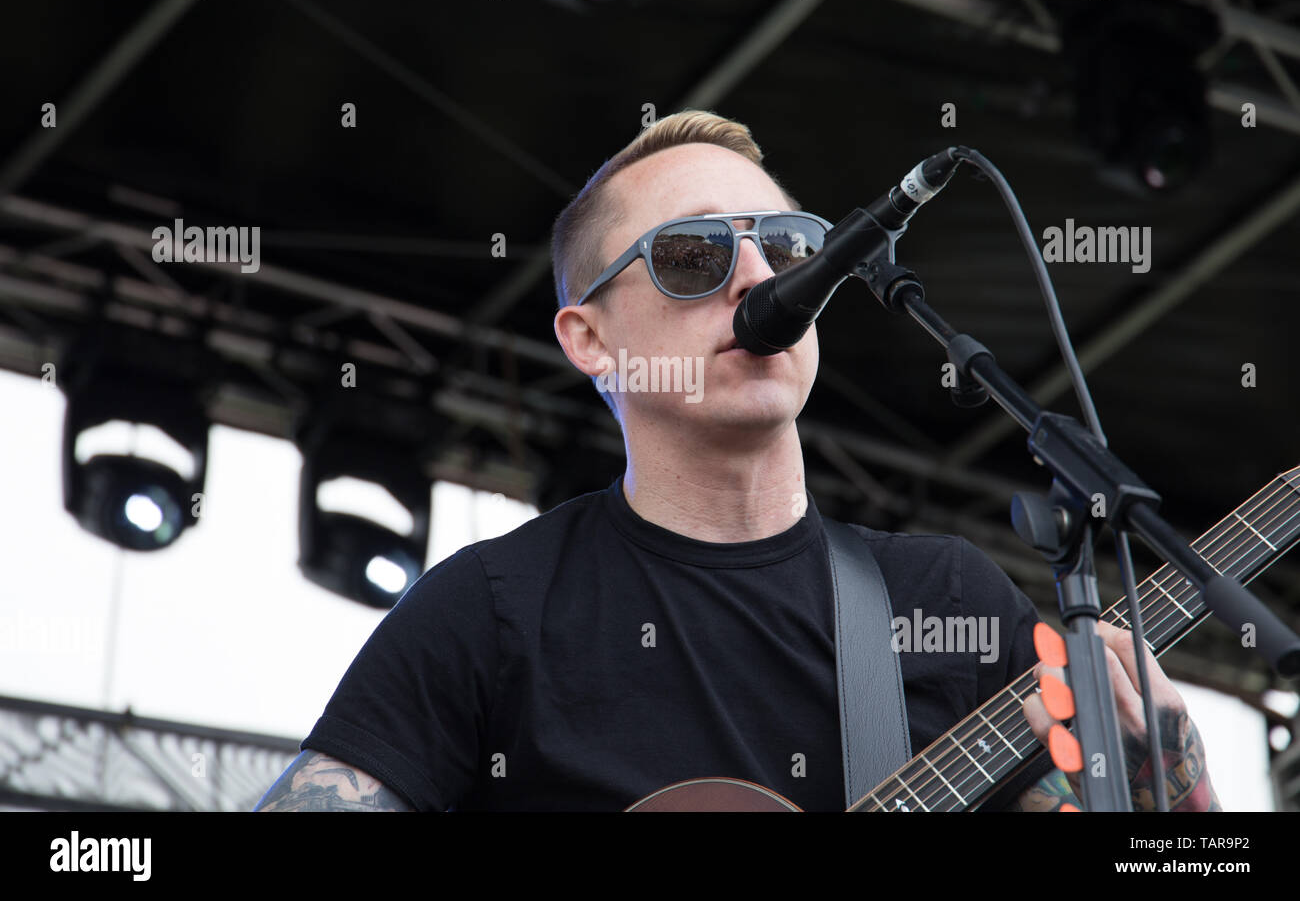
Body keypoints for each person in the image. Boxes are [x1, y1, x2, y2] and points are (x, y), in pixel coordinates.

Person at [255, 110, 1219, 812]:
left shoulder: (946, 598)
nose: (761, 278)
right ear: (590, 338)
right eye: (690, 256)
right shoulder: (496, 609)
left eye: (792, 248)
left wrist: (1171, 773)